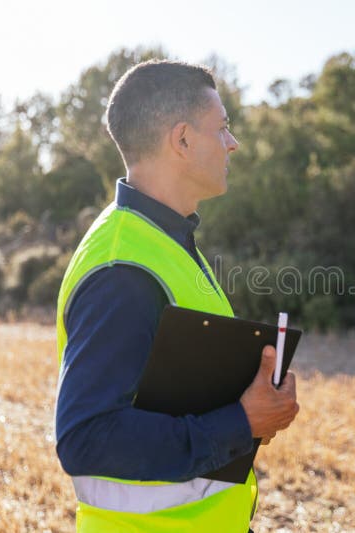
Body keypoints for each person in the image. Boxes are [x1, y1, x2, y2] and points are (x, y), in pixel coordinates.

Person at [54, 60, 299, 532]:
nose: (233, 142)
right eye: (223, 128)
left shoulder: (166, 243)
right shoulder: (121, 269)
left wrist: (255, 410)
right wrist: (241, 422)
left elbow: (174, 396)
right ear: (182, 140)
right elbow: (85, 438)